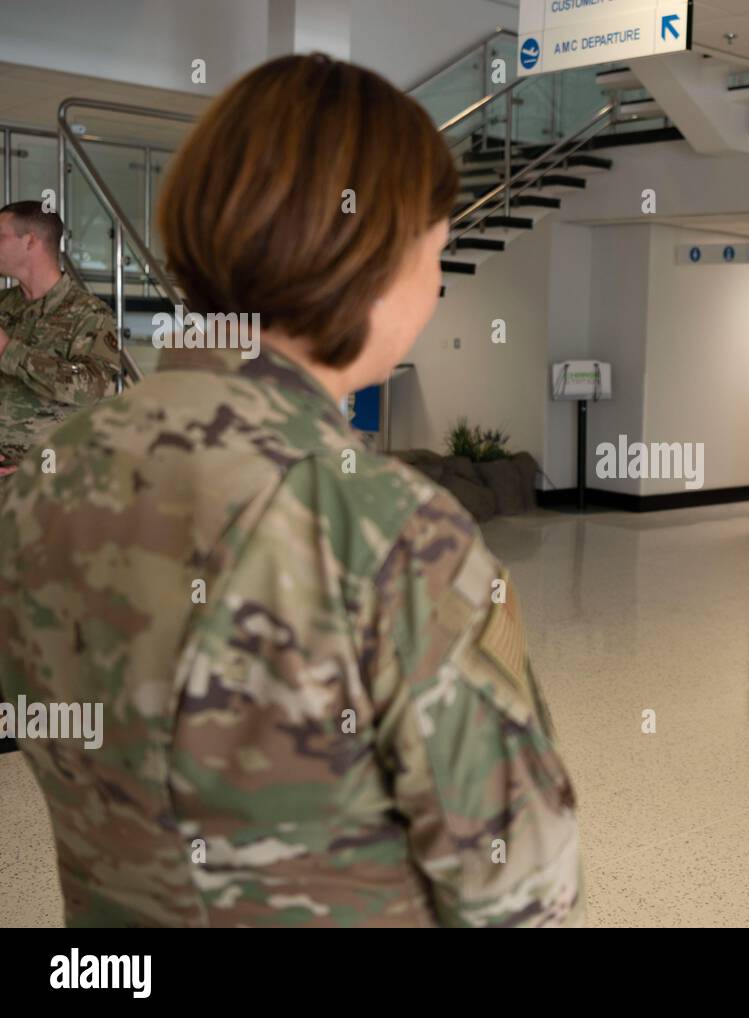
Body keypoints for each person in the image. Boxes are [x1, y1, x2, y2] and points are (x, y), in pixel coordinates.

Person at [0, 53, 582, 927]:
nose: (436, 278)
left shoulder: (46, 482)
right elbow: (522, 891)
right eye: (436, 245)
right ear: (374, 258)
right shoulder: (392, 534)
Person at [0, 200, 120, 480]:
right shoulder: (3, 306)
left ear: (30, 242)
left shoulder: (90, 315)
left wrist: (8, 350)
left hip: (52, 485)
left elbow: (90, 389)